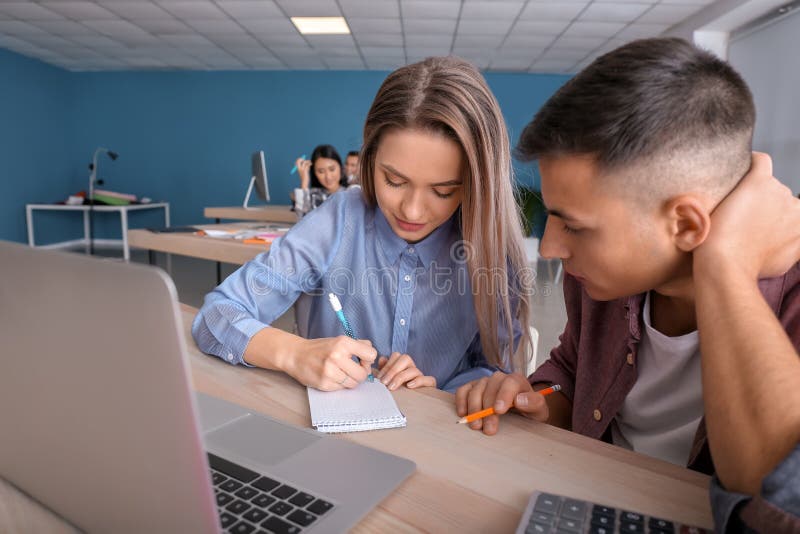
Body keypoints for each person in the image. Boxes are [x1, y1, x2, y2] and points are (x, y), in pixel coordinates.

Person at [454, 38, 800, 531]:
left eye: (573, 225)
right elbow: (569, 372)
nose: (550, 248)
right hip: (594, 499)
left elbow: (778, 497)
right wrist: (537, 396)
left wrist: (725, 263)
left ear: (684, 225)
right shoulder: (599, 280)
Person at [193, 56, 532, 394]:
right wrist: (295, 354)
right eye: (394, 181)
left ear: (476, 185)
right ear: (369, 159)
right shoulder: (341, 217)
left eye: (443, 191)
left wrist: (443, 391)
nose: (412, 211)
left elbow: (493, 369)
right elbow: (216, 316)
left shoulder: (489, 250)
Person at [293, 144, 349, 214]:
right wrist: (304, 181)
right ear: (314, 173)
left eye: (332, 169)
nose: (328, 177)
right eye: (321, 171)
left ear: (340, 167)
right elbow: (302, 221)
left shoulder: (351, 193)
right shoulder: (313, 196)